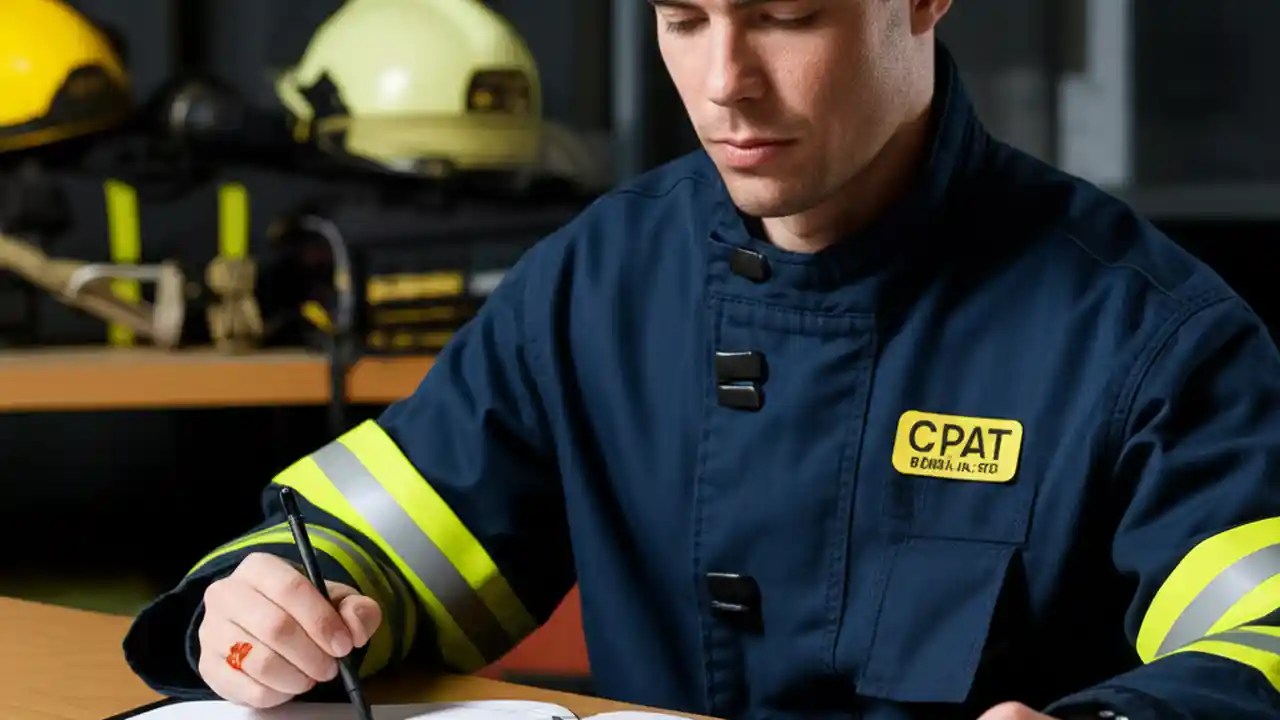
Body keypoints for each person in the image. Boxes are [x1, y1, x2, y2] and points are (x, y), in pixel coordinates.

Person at [123, 1, 1280, 718]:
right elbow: (390, 536)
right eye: (684, 17)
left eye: (782, 17)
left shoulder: (1147, 335)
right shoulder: (597, 279)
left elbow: (1261, 637)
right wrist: (276, 599)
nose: (724, 81)